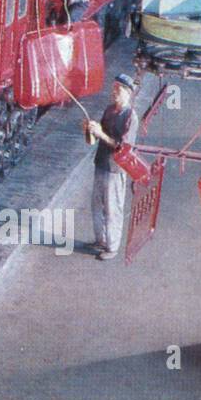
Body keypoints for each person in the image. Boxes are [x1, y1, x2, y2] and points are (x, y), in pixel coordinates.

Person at [83, 73, 139, 260]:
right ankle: (101, 240)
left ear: (129, 93)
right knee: (96, 206)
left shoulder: (130, 117)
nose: (114, 91)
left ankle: (112, 247)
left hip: (115, 169)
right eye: (114, 87)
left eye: (119, 89)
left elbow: (122, 147)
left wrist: (100, 133)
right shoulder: (109, 110)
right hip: (100, 163)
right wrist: (90, 130)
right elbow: (95, 138)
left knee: (112, 208)